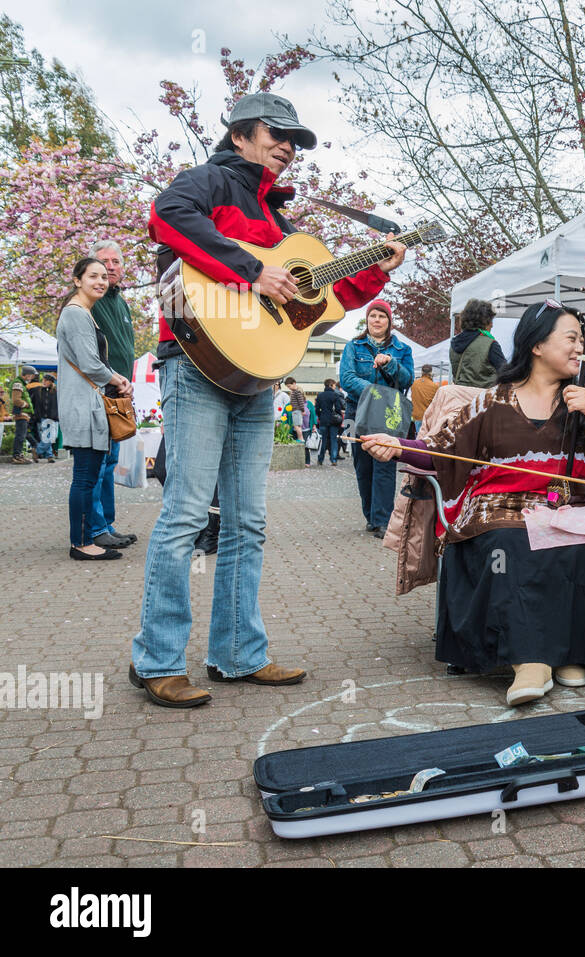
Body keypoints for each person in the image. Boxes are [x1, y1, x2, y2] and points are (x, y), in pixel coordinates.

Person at [132, 91, 405, 708]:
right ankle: (156, 659)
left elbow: (318, 302)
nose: (288, 147)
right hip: (196, 362)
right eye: (276, 134)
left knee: (248, 522)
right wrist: (249, 271)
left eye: (295, 141)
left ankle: (236, 654)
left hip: (255, 377)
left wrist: (377, 269)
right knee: (185, 515)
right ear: (239, 136)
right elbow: (168, 214)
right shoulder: (208, 182)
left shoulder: (281, 225)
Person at [364, 300, 585, 706]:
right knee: (511, 541)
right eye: (571, 339)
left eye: (581, 339)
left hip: (564, 508)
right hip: (497, 511)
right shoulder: (489, 403)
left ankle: (573, 653)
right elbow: (440, 451)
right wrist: (396, 446)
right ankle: (530, 660)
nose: (581, 349)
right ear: (537, 345)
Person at [57, 259, 134, 561]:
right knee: (85, 479)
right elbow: (90, 364)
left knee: (87, 478)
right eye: (93, 276)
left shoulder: (83, 314)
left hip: (87, 404)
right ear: (77, 280)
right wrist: (119, 379)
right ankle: (81, 543)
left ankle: (86, 538)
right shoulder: (76, 315)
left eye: (104, 277)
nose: (101, 281)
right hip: (83, 407)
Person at [341, 299, 415, 536]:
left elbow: (407, 380)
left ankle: (383, 520)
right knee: (362, 466)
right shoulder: (354, 346)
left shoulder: (402, 350)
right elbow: (347, 378)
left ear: (389, 321)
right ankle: (371, 516)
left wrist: (391, 363)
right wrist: (374, 393)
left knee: (384, 463)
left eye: (382, 316)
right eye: (373, 316)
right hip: (357, 411)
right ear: (367, 320)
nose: (377, 320)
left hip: (388, 414)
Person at [87, 240, 139, 549]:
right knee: (98, 463)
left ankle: (106, 523)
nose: (110, 266)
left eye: (115, 261)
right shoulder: (91, 300)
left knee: (110, 462)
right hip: (101, 390)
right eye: (103, 261)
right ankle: (95, 528)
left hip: (120, 393)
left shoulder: (120, 302)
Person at [449, 298, 506, 387]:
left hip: (460, 397)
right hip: (482, 398)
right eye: (491, 320)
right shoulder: (490, 344)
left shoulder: (453, 344)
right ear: (484, 321)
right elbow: (506, 374)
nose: (492, 325)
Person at [6, 365, 38, 464]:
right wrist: (26, 404)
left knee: (23, 434)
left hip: (23, 414)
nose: (32, 378)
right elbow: (16, 400)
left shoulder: (21, 383)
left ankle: (20, 454)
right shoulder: (18, 383)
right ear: (27, 375)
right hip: (21, 413)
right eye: (32, 375)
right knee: (20, 435)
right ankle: (17, 456)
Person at [314, 377, 344, 465]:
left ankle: (320, 459)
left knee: (323, 440)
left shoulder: (320, 395)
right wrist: (339, 417)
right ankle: (333, 459)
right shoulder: (335, 395)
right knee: (334, 440)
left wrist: (321, 416)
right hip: (334, 421)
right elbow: (338, 408)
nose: (335, 387)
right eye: (334, 385)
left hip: (323, 420)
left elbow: (317, 409)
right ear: (331, 385)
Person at [33, 373, 58, 461]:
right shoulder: (39, 390)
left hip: (53, 417)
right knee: (46, 437)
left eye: (46, 380)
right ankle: (49, 456)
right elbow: (35, 403)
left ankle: (37, 450)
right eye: (43, 380)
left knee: (52, 437)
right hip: (43, 417)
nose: (44, 382)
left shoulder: (56, 391)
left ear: (51, 382)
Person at [411, 363, 439, 434]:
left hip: (417, 416)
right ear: (431, 372)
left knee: (418, 437)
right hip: (429, 416)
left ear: (421, 372)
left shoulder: (414, 384)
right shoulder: (434, 386)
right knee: (426, 439)